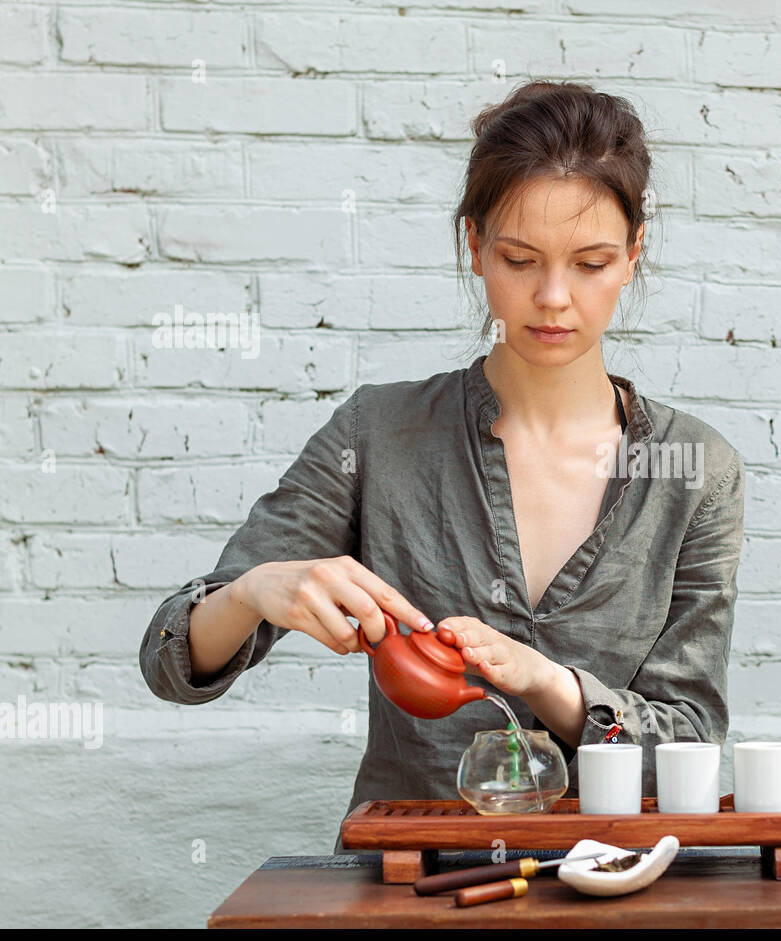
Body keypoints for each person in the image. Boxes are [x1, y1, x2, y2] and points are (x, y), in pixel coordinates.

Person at [138, 79, 746, 853]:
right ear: (474, 247)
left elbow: (686, 746)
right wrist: (256, 590)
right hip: (409, 886)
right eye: (519, 259)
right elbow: (170, 660)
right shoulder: (379, 433)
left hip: (619, 888)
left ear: (633, 256)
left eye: (590, 263)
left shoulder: (696, 473)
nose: (553, 297)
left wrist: (545, 682)